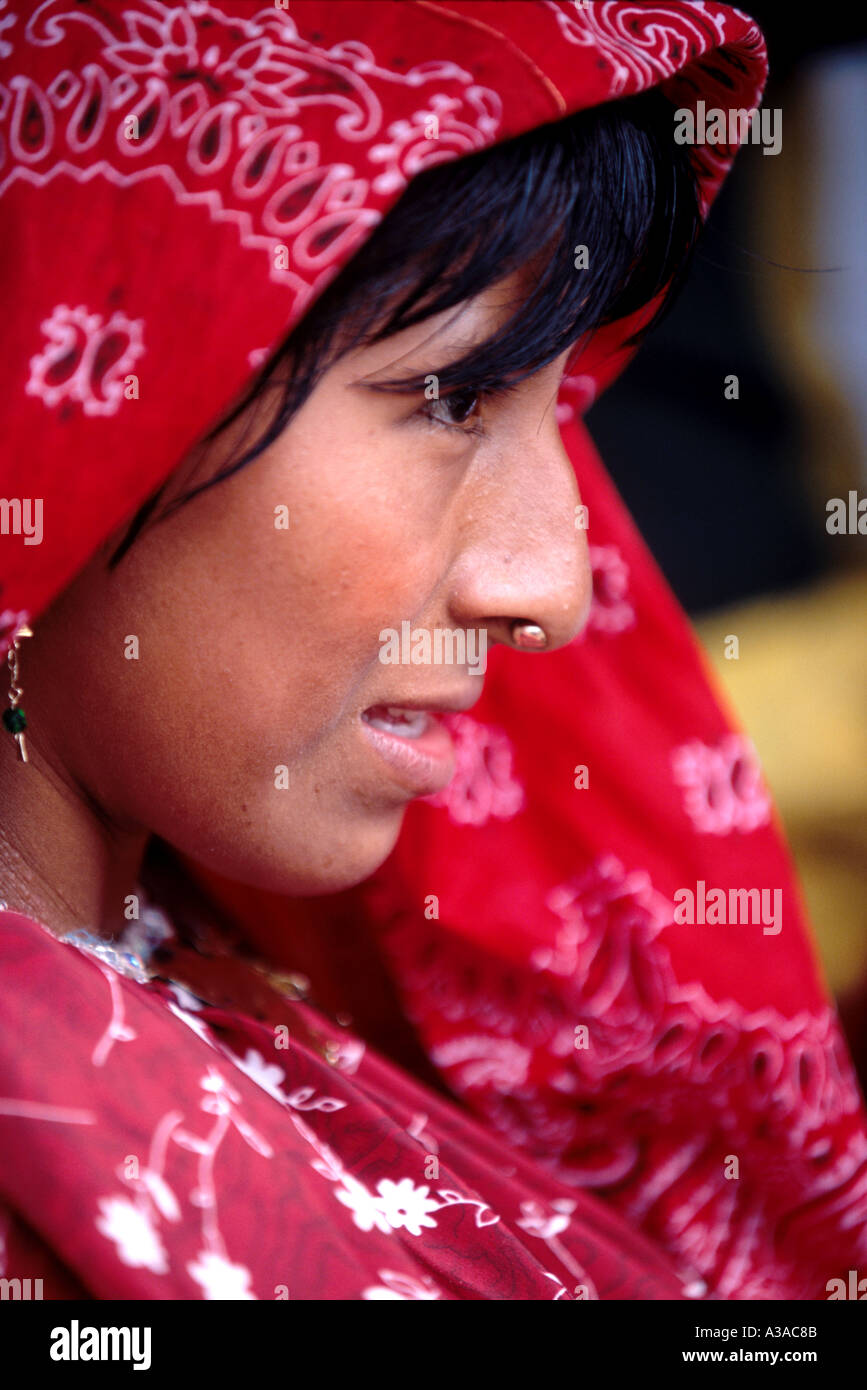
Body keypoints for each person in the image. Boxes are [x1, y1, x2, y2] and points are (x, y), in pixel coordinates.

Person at [0, 0, 864, 1301]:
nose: (555, 590)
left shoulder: (221, 1008)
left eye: (557, 406)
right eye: (455, 396)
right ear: (71, 366)